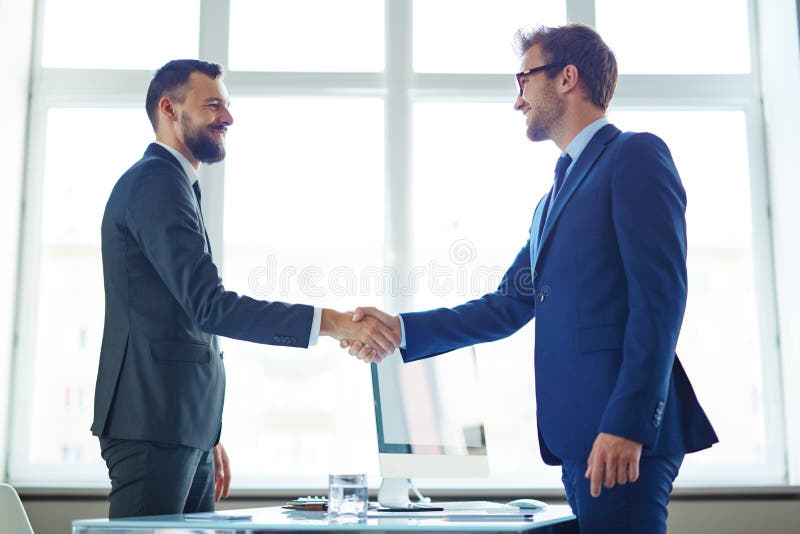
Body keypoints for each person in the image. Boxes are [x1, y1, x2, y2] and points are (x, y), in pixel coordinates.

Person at [343, 24, 718, 533]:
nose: (517, 100)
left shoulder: (634, 155)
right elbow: (506, 306)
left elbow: (661, 297)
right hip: (575, 435)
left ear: (567, 78)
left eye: (523, 79)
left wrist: (628, 423)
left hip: (618, 431)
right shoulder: (549, 204)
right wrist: (399, 329)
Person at [91, 59, 399, 519]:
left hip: (179, 423)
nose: (227, 117)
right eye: (213, 104)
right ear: (169, 108)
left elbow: (179, 315)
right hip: (153, 422)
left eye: (227, 105)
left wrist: (205, 429)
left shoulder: (175, 182)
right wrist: (333, 323)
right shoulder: (157, 181)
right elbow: (209, 306)